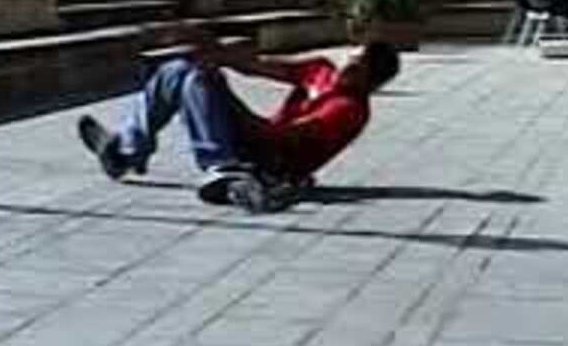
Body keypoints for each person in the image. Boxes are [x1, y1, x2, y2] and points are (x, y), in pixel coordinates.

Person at [76, 30, 401, 213]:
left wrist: (222, 93)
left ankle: (225, 169)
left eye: (356, 71)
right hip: (257, 139)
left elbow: (280, 138)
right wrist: (217, 51)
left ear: (370, 83)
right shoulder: (321, 69)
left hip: (273, 161)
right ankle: (125, 153)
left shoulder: (350, 110)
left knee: (198, 82)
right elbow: (258, 67)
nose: (346, 69)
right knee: (179, 69)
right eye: (351, 58)